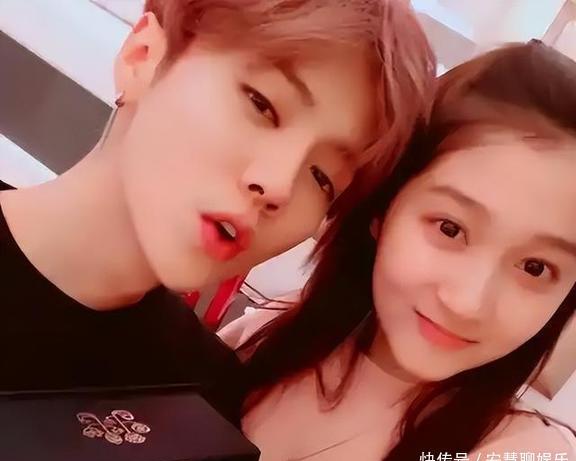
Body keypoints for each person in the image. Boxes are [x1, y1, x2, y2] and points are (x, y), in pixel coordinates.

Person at [0, 0, 434, 421]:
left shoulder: (203, 408)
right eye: (261, 104)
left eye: (323, 178)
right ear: (142, 56)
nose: (278, 185)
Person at [219, 40, 576, 461]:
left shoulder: (523, 459)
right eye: (450, 228)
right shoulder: (269, 333)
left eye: (536, 268)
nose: (468, 303)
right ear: (383, 209)